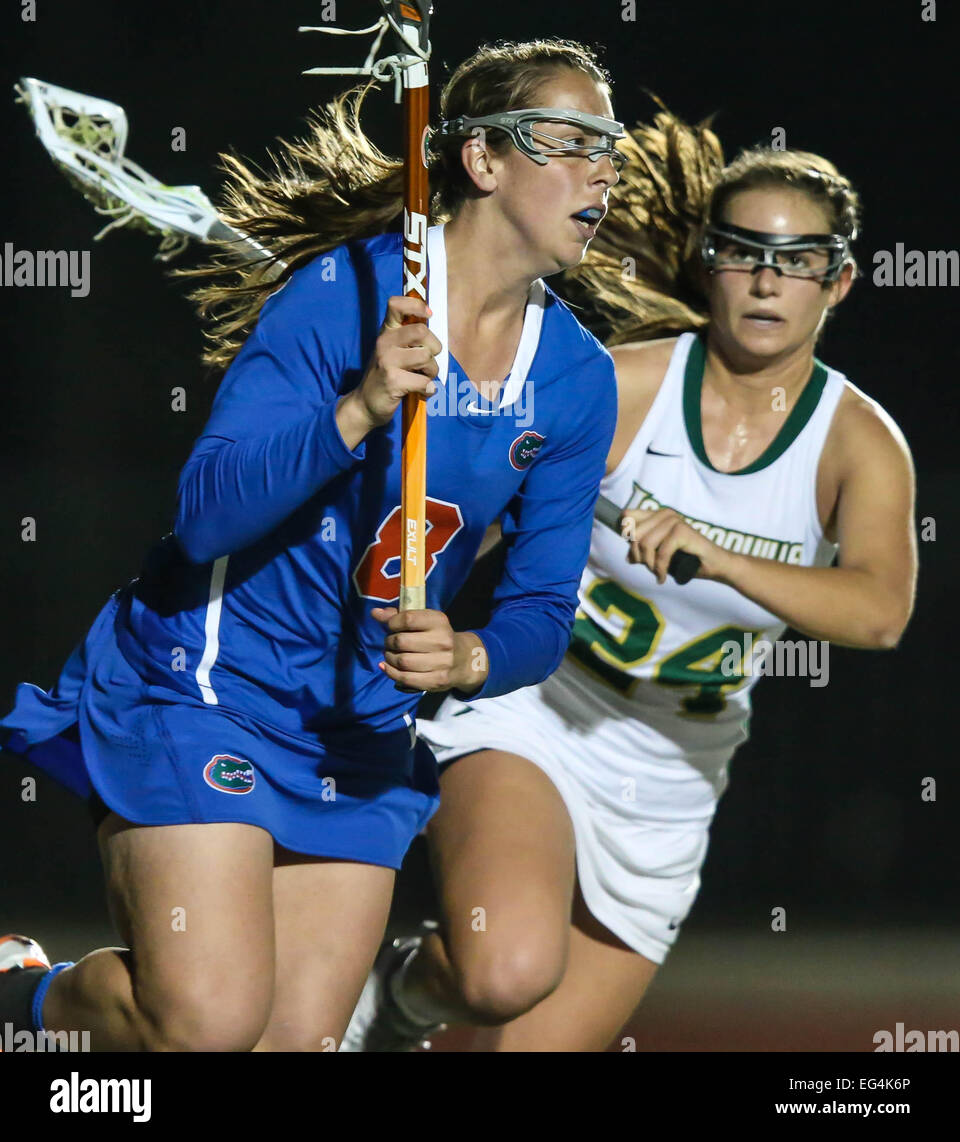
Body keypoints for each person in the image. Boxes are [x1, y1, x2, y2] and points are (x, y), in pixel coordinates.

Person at [0, 38, 622, 1052]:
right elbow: (204, 514)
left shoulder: (577, 380)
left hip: (357, 728)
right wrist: (364, 404)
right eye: (572, 141)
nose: (602, 169)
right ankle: (25, 993)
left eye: (612, 147)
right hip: (208, 684)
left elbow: (541, 613)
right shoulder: (342, 298)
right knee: (205, 1026)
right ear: (482, 161)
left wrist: (467, 656)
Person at [343, 109, 919, 1052]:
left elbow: (879, 611)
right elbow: (480, 520)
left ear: (840, 279)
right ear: (707, 262)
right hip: (538, 716)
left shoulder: (859, 444)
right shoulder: (626, 387)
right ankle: (394, 1003)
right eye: (743, 252)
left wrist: (721, 553)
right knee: (503, 972)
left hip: (674, 779)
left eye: (800, 258)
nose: (768, 279)